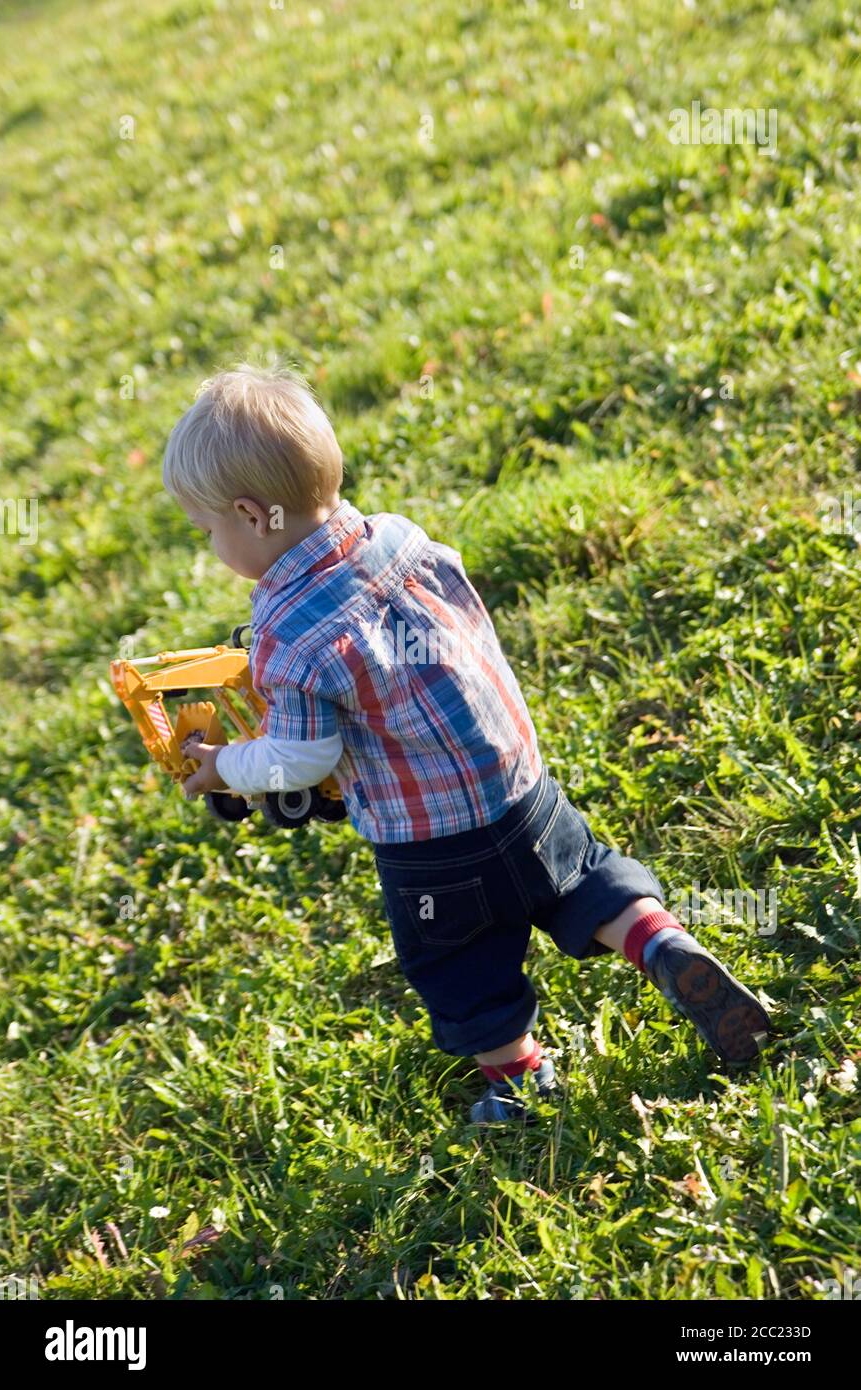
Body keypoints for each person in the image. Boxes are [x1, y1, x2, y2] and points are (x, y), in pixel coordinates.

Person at [161, 360, 772, 1126]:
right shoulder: (404, 542)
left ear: (252, 516)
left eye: (206, 529)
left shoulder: (295, 631)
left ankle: (521, 1082)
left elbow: (301, 758)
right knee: (581, 880)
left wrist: (227, 766)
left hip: (434, 853)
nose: (211, 545)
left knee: (458, 964)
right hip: (521, 787)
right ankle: (657, 941)